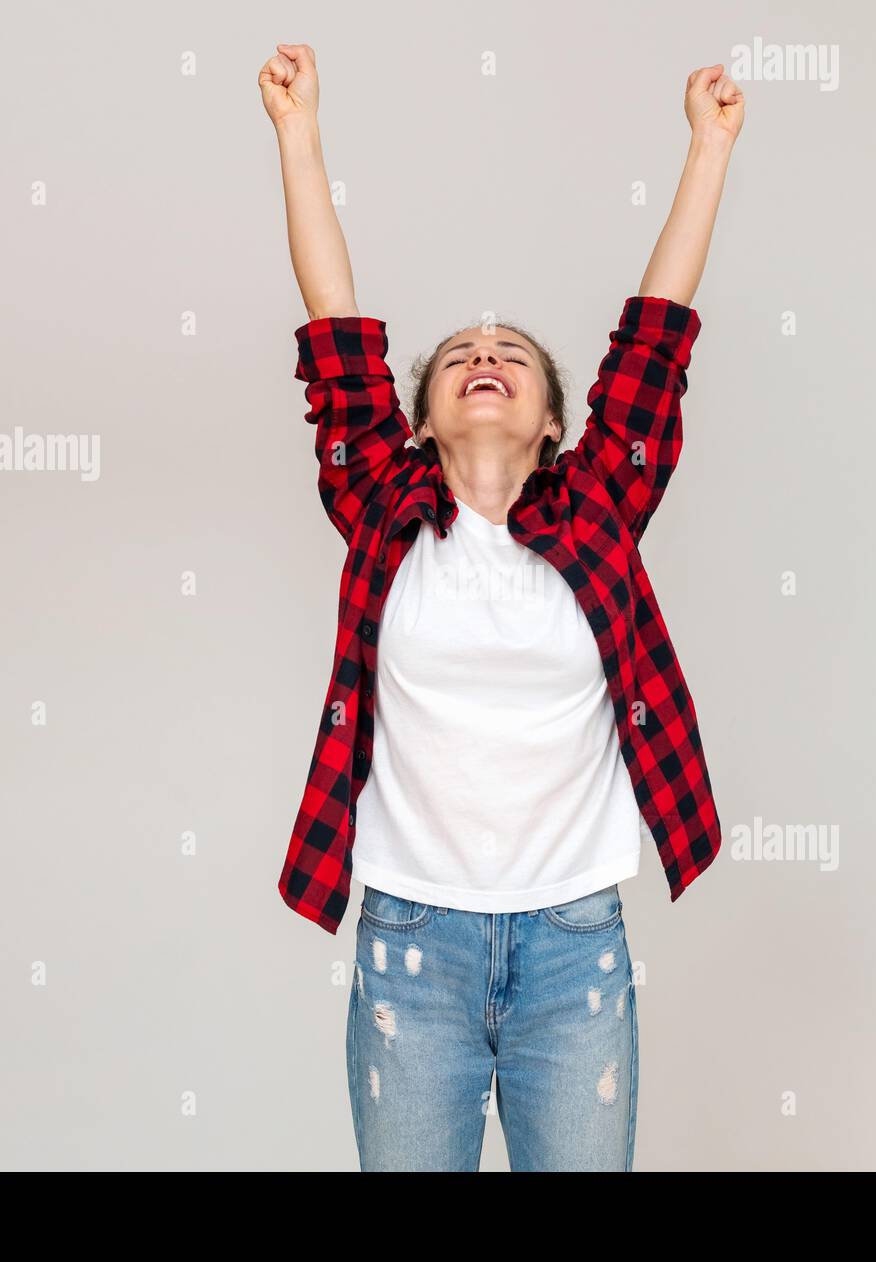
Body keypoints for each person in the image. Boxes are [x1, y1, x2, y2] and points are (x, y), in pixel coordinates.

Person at [260, 42, 742, 1171]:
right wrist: (298, 135)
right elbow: (336, 335)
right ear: (420, 418)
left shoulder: (600, 509)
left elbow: (657, 336)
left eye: (511, 352)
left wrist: (708, 146)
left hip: (574, 947)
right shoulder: (384, 507)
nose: (485, 354)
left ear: (554, 425)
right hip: (408, 947)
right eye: (462, 354)